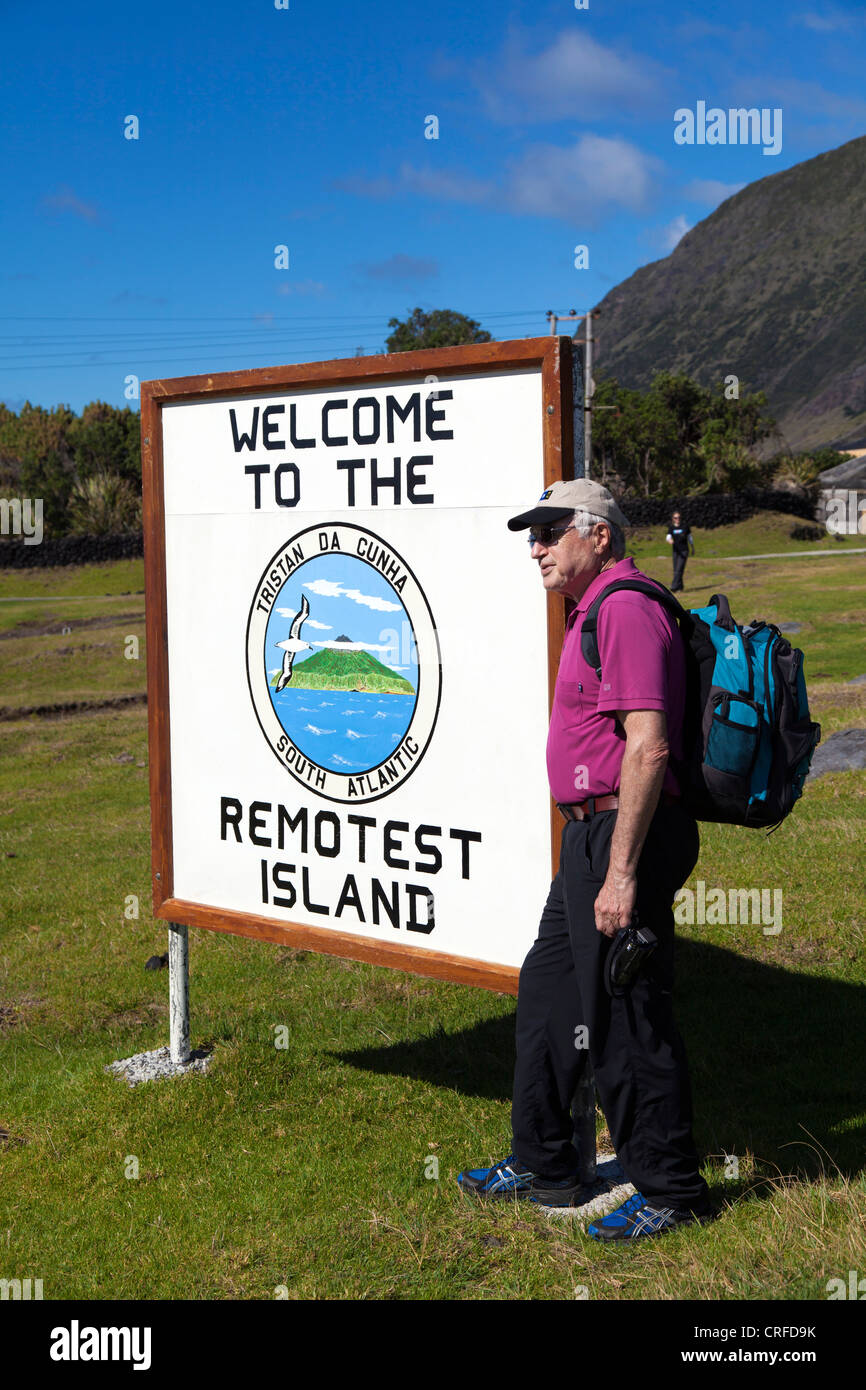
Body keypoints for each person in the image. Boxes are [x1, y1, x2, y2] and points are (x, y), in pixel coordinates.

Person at [457, 479, 713, 1241]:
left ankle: (670, 1187)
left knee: (626, 1014)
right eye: (529, 533)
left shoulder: (626, 608)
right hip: (589, 836)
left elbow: (649, 745)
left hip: (621, 835)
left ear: (598, 535)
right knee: (548, 995)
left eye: (549, 529)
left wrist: (623, 873)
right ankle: (546, 1163)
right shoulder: (589, 611)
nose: (534, 546)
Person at [666, 510, 694, 592]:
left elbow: (690, 538)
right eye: (675, 518)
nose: (677, 519)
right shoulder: (671, 528)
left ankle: (674, 587)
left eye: (679, 517)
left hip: (684, 551)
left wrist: (692, 548)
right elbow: (668, 537)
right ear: (673, 519)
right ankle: (680, 587)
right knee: (676, 569)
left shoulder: (685, 527)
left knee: (679, 569)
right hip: (676, 551)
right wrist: (670, 541)